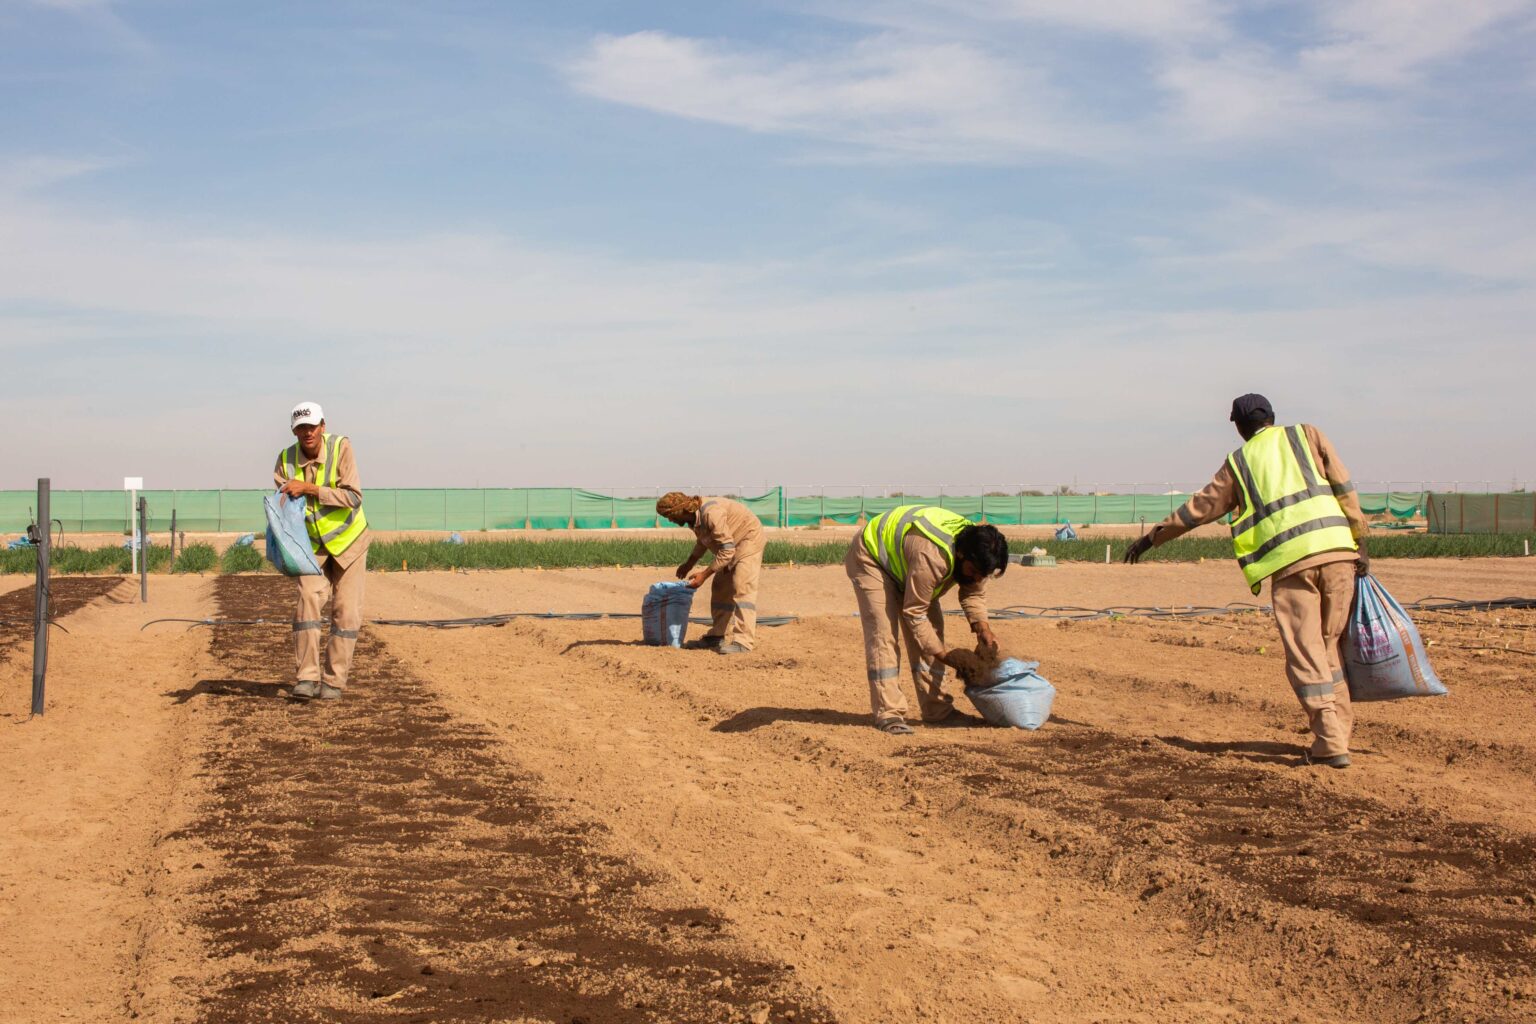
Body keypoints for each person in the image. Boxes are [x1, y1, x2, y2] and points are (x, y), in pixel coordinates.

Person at [1124, 394, 1369, 767]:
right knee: (1329, 647)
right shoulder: (1308, 435)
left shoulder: (1238, 463)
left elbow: (1198, 509)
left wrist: (1150, 538)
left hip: (1291, 563)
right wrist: (1360, 543)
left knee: (1307, 655)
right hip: (1338, 553)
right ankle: (1337, 737)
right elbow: (1344, 487)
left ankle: (1331, 742)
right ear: (1272, 416)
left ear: (1239, 427)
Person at [845, 505, 1010, 734]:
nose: (976, 578)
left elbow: (973, 592)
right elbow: (915, 613)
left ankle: (938, 710)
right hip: (873, 559)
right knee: (883, 635)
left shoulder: (979, 552)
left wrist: (982, 627)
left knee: (933, 631)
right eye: (973, 572)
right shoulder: (932, 557)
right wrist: (948, 656)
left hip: (909, 564)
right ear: (961, 555)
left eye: (983, 575)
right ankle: (889, 713)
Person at [273, 402, 369, 700]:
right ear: (294, 431)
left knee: (346, 612)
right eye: (301, 428)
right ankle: (306, 678)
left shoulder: (341, 448)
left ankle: (333, 682)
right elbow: (284, 505)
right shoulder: (285, 460)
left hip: (348, 543)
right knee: (307, 602)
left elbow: (353, 497)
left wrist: (310, 489)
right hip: (311, 547)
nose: (307, 433)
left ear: (322, 426)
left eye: (312, 427)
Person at [657, 492, 765, 654]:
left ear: (681, 512)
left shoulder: (711, 514)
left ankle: (744, 641)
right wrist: (689, 564)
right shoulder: (694, 519)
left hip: (748, 539)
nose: (670, 520)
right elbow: (703, 541)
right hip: (730, 545)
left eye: (670, 516)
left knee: (742, 587)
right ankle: (716, 636)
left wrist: (704, 575)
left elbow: (727, 551)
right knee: (720, 588)